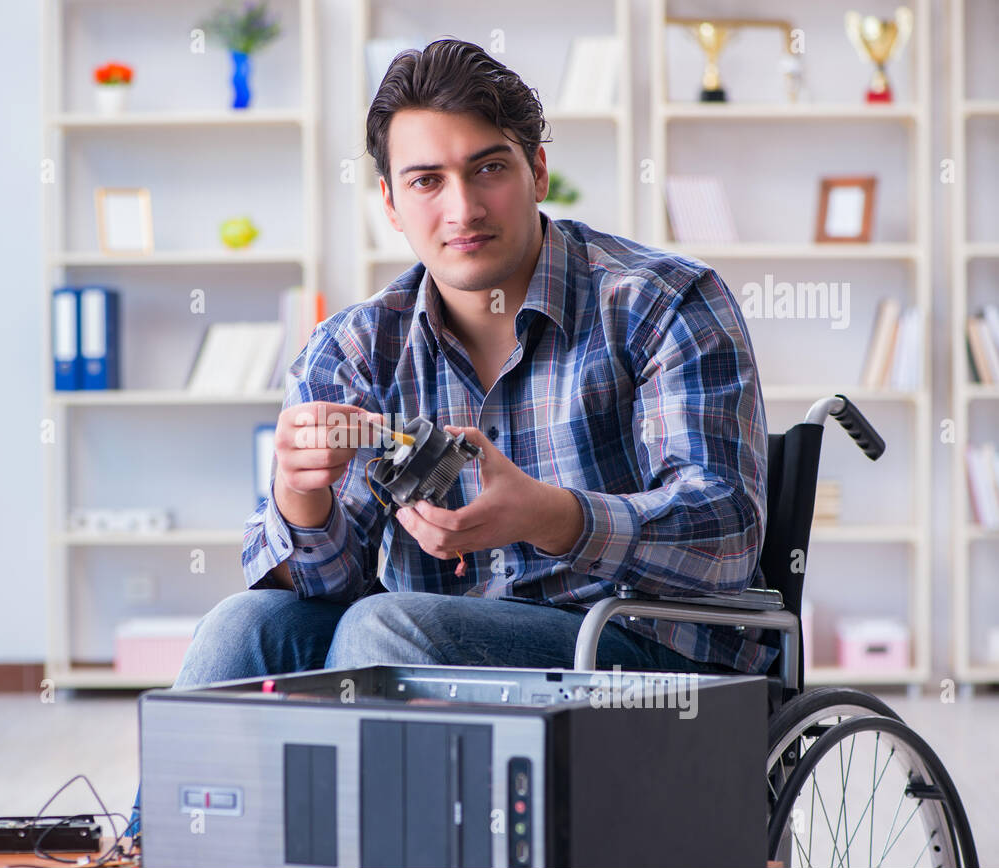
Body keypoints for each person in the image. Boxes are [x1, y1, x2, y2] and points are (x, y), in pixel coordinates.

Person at [174, 37, 772, 689]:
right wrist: (301, 495)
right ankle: (178, 799)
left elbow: (728, 537)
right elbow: (323, 586)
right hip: (440, 650)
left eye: (488, 168)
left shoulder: (661, 304)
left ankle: (341, 793)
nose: (463, 209)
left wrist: (550, 514)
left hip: (641, 649)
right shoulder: (354, 348)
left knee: (384, 633)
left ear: (537, 172)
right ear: (391, 204)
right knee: (242, 627)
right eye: (427, 180)